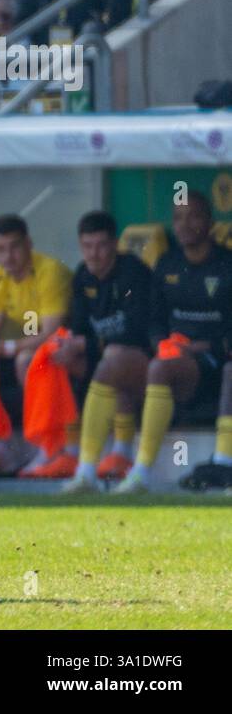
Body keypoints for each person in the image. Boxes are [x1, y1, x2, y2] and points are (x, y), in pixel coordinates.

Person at [115, 191, 232, 493]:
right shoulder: (167, 263)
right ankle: (126, 466)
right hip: (177, 359)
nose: (184, 224)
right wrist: (161, 343)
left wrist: (208, 347)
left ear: (210, 222)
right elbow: (154, 319)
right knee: (118, 364)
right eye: (178, 217)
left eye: (193, 215)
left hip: (217, 358)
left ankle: (223, 462)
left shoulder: (227, 264)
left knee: (162, 370)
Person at [0, 214, 73, 474]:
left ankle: (47, 447)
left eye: (15, 247)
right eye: (0, 249)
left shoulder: (49, 272)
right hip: (29, 345)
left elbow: (52, 332)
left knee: (26, 359)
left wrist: (8, 347)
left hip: (68, 348)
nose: (9, 256)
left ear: (29, 243)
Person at [56, 211, 154, 491]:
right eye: (87, 246)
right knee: (55, 360)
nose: (94, 254)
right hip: (101, 356)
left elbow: (137, 331)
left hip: (141, 359)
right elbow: (78, 328)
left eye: (100, 245)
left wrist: (86, 344)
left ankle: (120, 452)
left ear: (114, 244)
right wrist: (68, 345)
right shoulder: (82, 276)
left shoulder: (133, 273)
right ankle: (64, 449)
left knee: (114, 357)